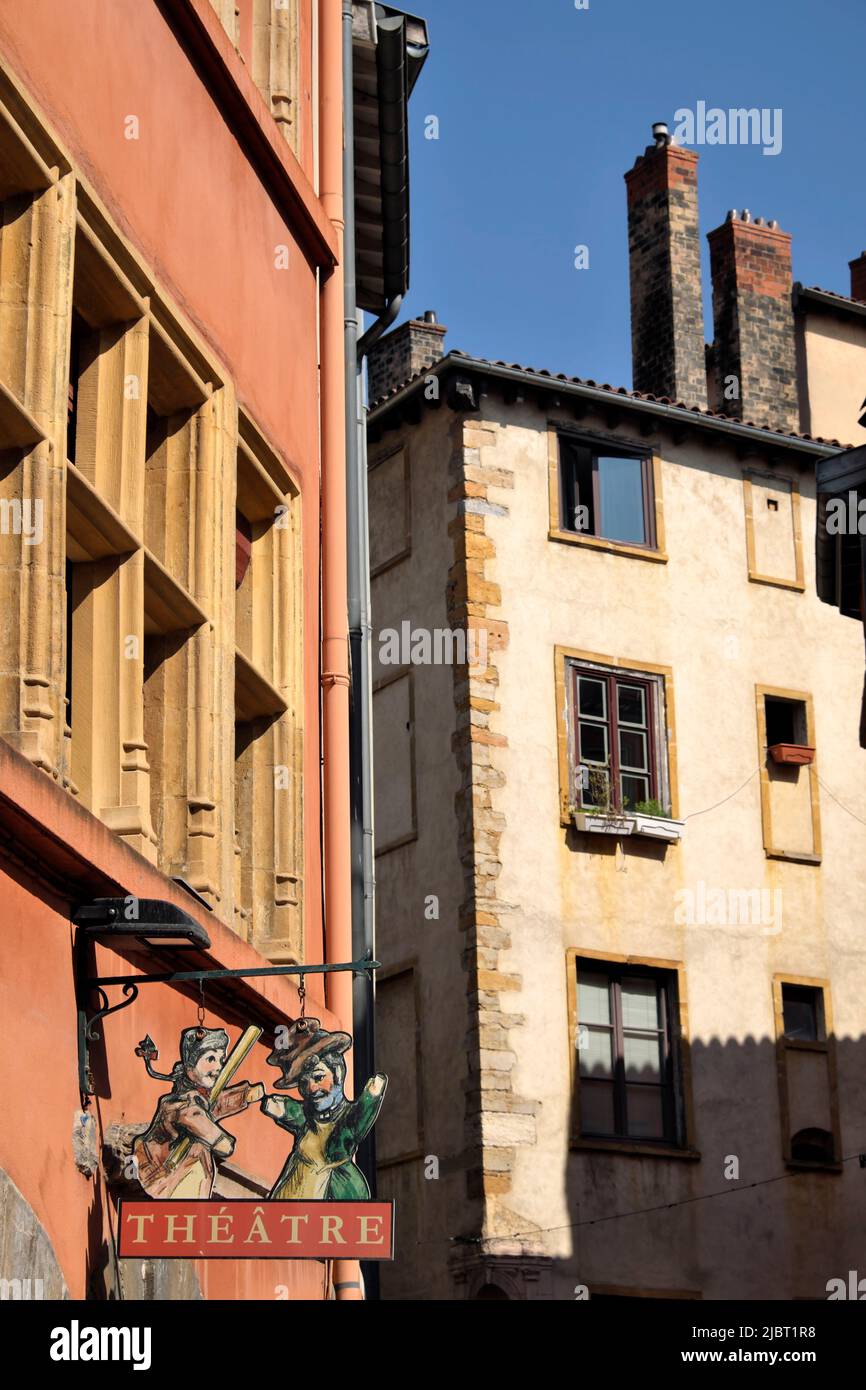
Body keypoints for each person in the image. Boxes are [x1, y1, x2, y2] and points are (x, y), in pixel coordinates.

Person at [261, 1018, 387, 1200]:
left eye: (319, 1077)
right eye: (304, 1082)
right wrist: (282, 1109)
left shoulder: (346, 1119)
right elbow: (297, 1113)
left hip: (330, 1203)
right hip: (291, 1199)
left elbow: (356, 1122)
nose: (311, 1088)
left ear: (338, 1073)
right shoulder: (308, 1117)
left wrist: (371, 1098)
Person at [134, 1027, 263, 1199]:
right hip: (166, 1182)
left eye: (221, 1060)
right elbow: (195, 1118)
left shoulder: (199, 1098)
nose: (218, 1067)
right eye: (210, 1058)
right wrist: (220, 1140)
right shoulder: (179, 1104)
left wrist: (244, 1095)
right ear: (190, 1065)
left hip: (188, 1183)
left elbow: (214, 1105)